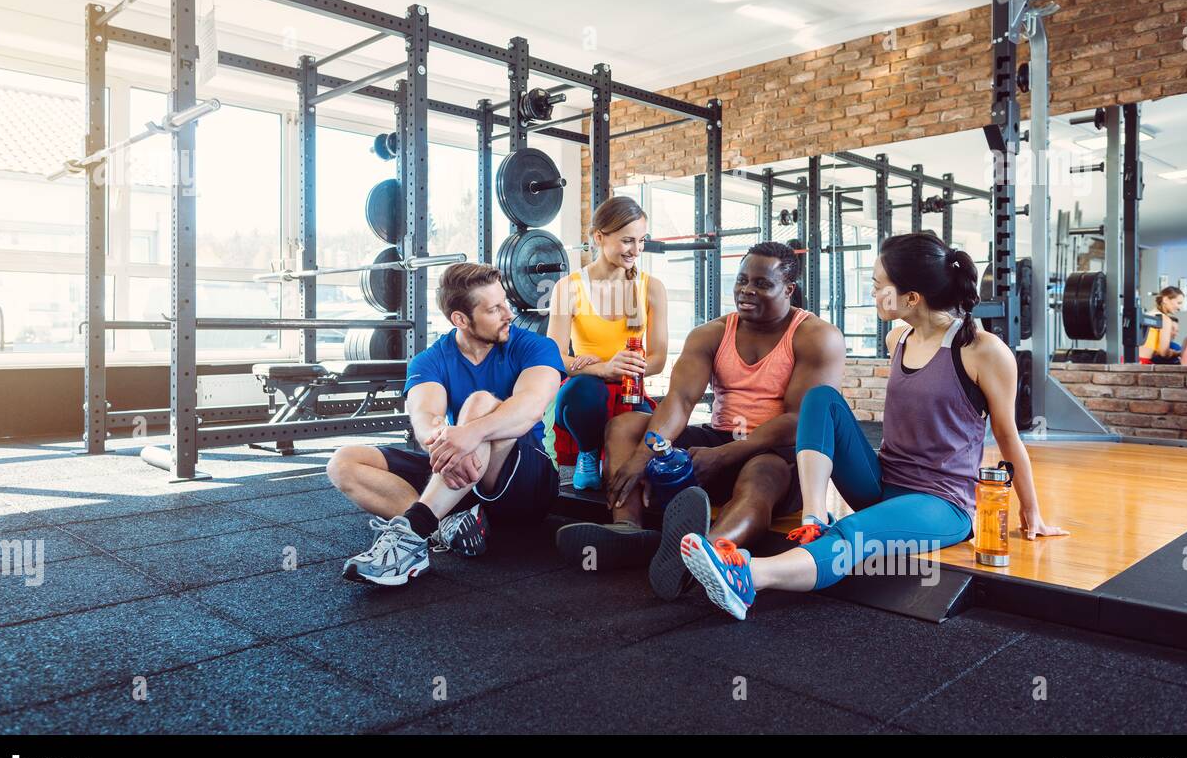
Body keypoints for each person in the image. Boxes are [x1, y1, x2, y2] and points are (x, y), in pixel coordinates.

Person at [678, 231, 1068, 620]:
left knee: (851, 535)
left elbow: (1007, 437)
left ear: (911, 298)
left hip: (940, 503)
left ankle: (748, 575)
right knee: (821, 399)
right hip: (880, 483)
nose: (873, 292)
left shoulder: (984, 352)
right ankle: (812, 516)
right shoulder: (898, 337)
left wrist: (1030, 510)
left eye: (879, 286)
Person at [555, 241, 845, 601]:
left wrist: (726, 456)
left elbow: (800, 420)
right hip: (719, 438)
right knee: (626, 425)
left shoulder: (817, 336)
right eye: (741, 280)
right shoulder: (712, 333)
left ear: (788, 289)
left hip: (778, 454)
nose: (746, 291)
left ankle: (706, 554)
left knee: (761, 473)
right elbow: (680, 400)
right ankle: (628, 530)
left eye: (761, 284)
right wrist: (646, 454)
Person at [326, 262, 562, 586]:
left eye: (505, 302)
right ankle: (443, 526)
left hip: (525, 482)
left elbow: (530, 408)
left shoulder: (535, 346)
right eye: (495, 309)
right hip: (463, 474)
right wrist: (447, 436)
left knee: (480, 403)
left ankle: (413, 533)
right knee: (344, 462)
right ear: (461, 320)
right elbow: (425, 422)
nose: (509, 314)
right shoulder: (430, 359)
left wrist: (468, 432)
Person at [546, 196, 669, 490]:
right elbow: (554, 357)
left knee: (655, 441)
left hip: (630, 390)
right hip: (585, 392)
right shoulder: (569, 288)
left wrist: (625, 370)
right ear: (600, 237)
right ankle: (587, 453)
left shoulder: (652, 288)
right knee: (586, 392)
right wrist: (602, 369)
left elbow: (659, 358)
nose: (636, 250)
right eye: (628, 241)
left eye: (641, 241)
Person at [1140, 286, 1186, 364]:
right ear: (1165, 300)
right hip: (1144, 363)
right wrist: (1178, 353)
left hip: (1133, 361)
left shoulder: (1146, 315)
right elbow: (1164, 353)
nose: (1179, 307)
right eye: (1178, 303)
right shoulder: (1165, 319)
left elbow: (1147, 346)